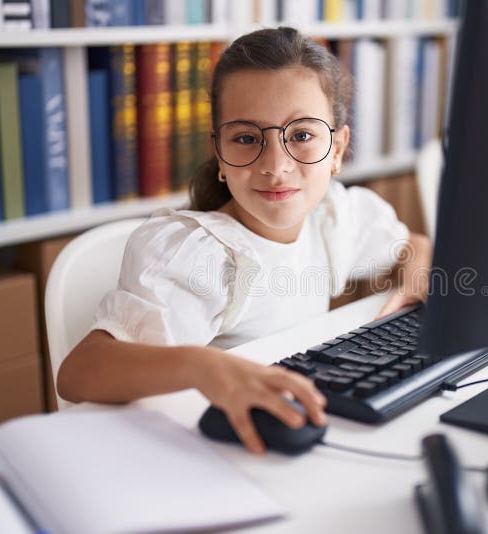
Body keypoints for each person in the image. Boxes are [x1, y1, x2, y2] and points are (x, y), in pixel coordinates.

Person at [57, 27, 433, 454]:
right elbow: (78, 372)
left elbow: (413, 244)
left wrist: (412, 280)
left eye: (302, 136)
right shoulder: (200, 255)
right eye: (247, 138)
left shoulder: (335, 216)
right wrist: (204, 367)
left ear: (337, 149)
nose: (275, 165)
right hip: (198, 455)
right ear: (219, 154)